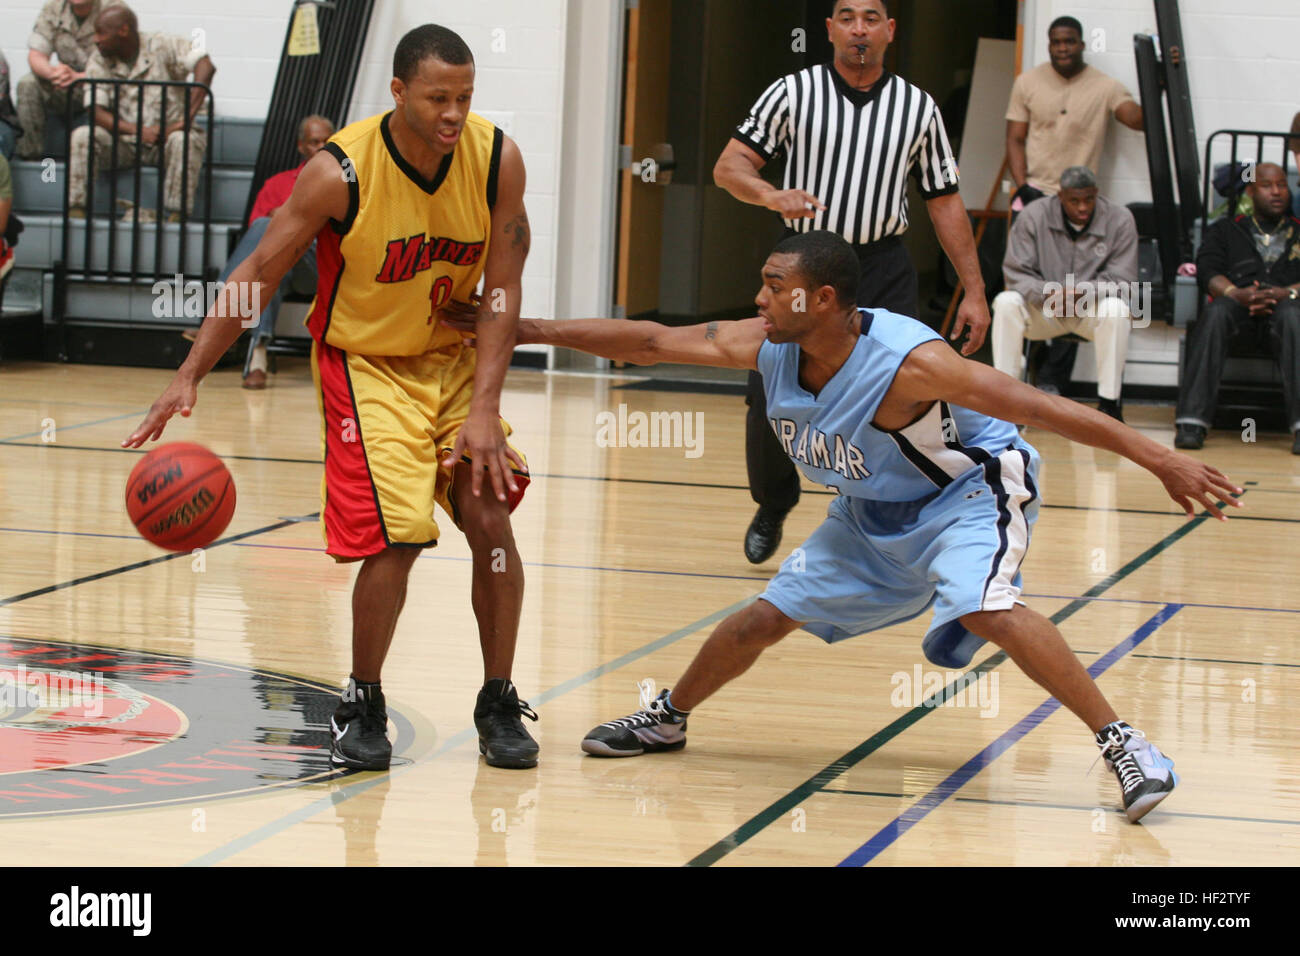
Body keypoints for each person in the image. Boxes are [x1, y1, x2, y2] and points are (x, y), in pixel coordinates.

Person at [452, 230, 1241, 824]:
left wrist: (1159, 459)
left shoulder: (912, 364)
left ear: (821, 300)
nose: (758, 300)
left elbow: (1044, 408)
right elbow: (653, 341)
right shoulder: (767, 347)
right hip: (871, 511)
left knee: (984, 605)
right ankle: (668, 719)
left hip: (966, 492)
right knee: (761, 619)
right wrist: (531, 330)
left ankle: (1124, 745)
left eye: (773, 287)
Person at [122, 24, 541, 772]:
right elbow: (259, 268)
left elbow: (503, 292)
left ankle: (499, 698)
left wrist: (484, 408)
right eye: (439, 98)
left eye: (465, 97)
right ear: (400, 91)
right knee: (398, 536)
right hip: (367, 365)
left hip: (449, 361)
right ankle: (363, 698)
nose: (454, 114)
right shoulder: (339, 171)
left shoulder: (495, 159)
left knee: (491, 520)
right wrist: (191, 370)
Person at [714, 0, 989, 565]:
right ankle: (773, 502)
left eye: (870, 18)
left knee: (908, 390)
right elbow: (729, 167)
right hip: (803, 266)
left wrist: (976, 291)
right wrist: (770, 194)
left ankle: (908, 511)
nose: (858, 28)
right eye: (847, 17)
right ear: (830, 30)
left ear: (889, 31)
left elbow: (944, 201)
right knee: (773, 384)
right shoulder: (792, 92)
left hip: (881, 266)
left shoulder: (918, 107)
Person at [1006, 15, 1143, 394]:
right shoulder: (1027, 82)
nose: (1063, 48)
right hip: (1036, 197)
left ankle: (1052, 380)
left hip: (1078, 201)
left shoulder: (1104, 85)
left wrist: (1157, 87)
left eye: (1069, 42)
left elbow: (1134, 118)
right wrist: (1022, 188)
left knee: (1073, 282)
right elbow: (1014, 138)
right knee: (1022, 286)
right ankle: (1021, 380)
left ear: (1082, 44)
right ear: (1049, 45)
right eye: (1056, 42)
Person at [992, 166, 1138, 420]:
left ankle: (1109, 405)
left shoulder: (1120, 218)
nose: (1082, 207)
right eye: (1074, 200)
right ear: (1060, 196)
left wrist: (1083, 292)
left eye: (1088, 199)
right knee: (1005, 302)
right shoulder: (1033, 216)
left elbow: (1124, 280)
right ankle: (1004, 405)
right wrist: (1049, 294)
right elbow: (1016, 273)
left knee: (1117, 310)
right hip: (1045, 308)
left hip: (1089, 311)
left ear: (1097, 194)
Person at [201, 114, 335, 389]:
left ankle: (219, 306)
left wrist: (289, 222)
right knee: (268, 270)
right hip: (284, 267)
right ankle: (257, 355)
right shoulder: (276, 184)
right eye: (314, 142)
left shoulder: (343, 184)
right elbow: (257, 246)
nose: (321, 147)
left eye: (327, 141)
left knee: (273, 234)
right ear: (301, 146)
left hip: (321, 266)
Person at [1175, 162, 1300, 454]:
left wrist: (1287, 293)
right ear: (1252, 191)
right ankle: (1192, 423)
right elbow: (1207, 270)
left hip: (1287, 310)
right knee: (1217, 311)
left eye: (1281, 185)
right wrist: (1235, 293)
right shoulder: (1226, 230)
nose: (1277, 192)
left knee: (1294, 317)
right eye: (1267, 186)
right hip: (1238, 308)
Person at [68, 3, 214, 221]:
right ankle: (76, 214)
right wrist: (139, 131)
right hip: (124, 143)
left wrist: (184, 120)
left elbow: (206, 66)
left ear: (123, 31)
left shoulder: (162, 44)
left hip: (166, 141)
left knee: (184, 139)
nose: (96, 40)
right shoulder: (99, 59)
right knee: (82, 135)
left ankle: (176, 217)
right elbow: (96, 112)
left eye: (101, 33)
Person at [16, 0, 101, 160]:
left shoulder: (113, 9)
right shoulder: (53, 8)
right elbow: (36, 55)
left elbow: (117, 68)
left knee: (110, 89)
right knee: (27, 84)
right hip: (65, 85)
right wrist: (54, 74)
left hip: (98, 88)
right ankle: (30, 156)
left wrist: (78, 77)